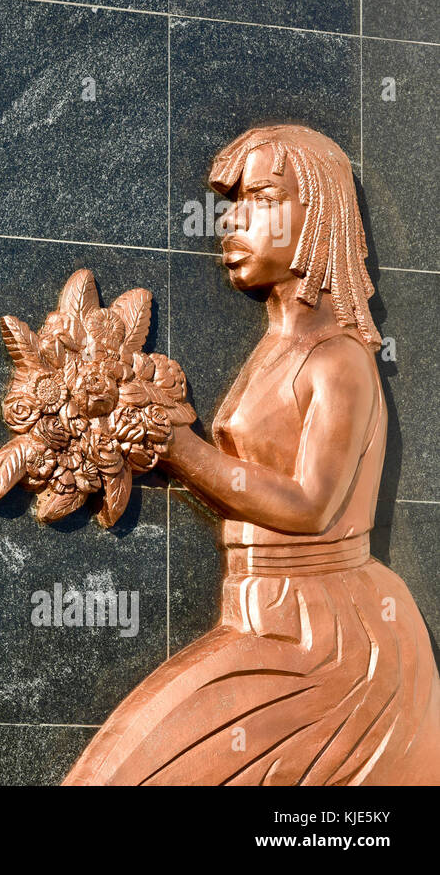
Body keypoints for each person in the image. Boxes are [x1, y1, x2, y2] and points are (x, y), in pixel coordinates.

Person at [63, 125, 440, 785]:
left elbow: (309, 505)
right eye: (231, 203)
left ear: (318, 212)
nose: (231, 222)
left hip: (325, 639)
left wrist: (180, 448)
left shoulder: (340, 361)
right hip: (260, 617)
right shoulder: (276, 346)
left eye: (260, 200)